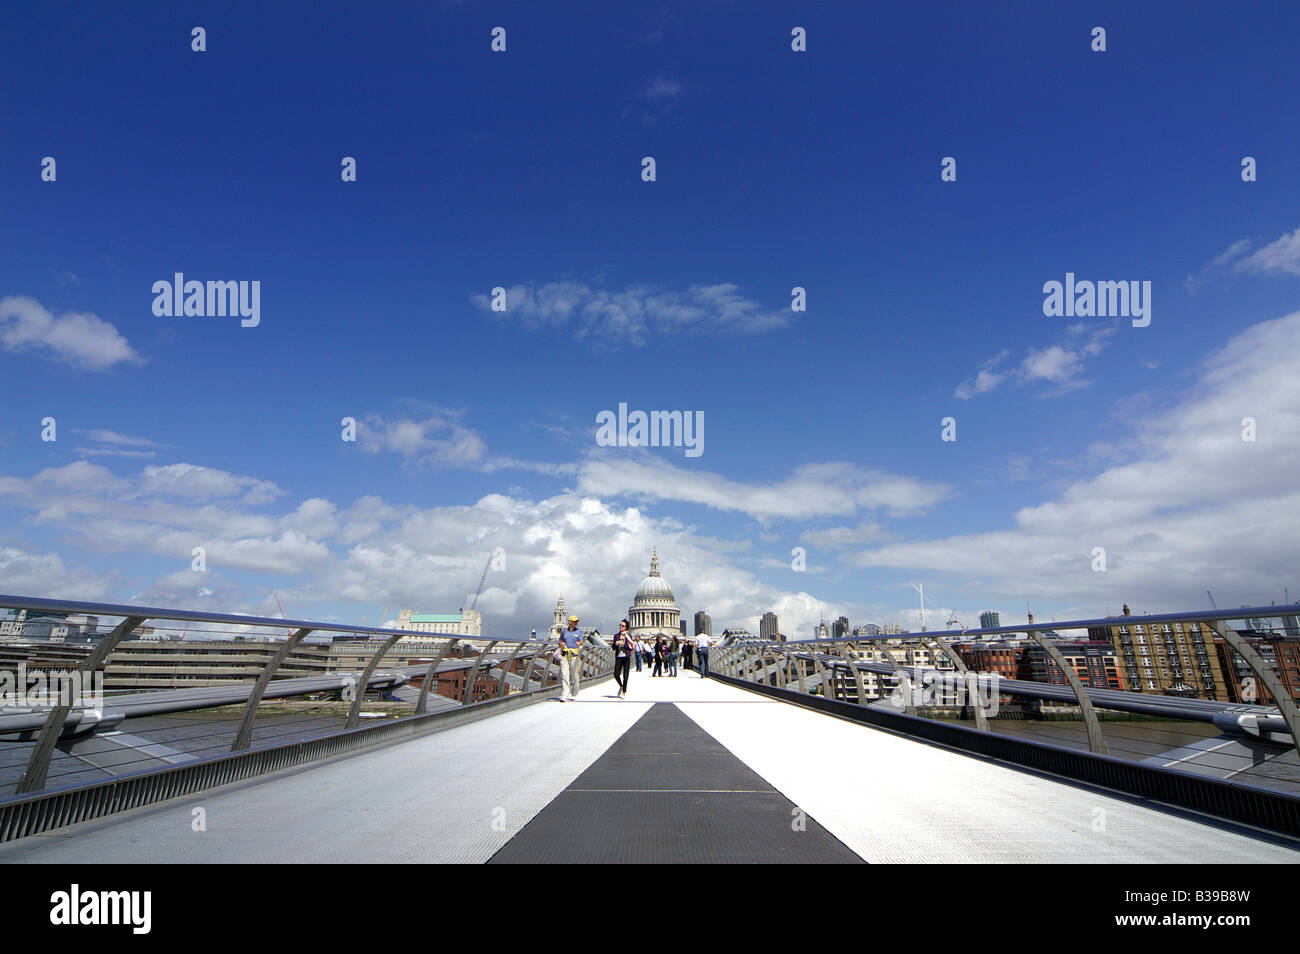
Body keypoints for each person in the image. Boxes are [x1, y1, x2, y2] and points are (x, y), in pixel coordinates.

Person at [558, 614, 583, 701]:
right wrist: (561, 643)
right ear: (570, 622)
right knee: (564, 674)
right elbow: (560, 640)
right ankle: (565, 693)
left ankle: (574, 692)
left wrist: (579, 643)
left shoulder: (578, 632)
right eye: (574, 621)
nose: (576, 623)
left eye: (577, 621)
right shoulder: (564, 631)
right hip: (565, 653)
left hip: (574, 655)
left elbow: (581, 641)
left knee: (574, 674)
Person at [612, 619, 633, 698]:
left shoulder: (629, 636)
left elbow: (631, 647)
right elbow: (613, 647)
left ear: (626, 627)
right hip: (619, 656)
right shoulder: (616, 636)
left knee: (625, 675)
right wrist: (615, 643)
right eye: (620, 625)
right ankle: (621, 686)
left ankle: (624, 691)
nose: (620, 627)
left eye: (622, 626)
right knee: (616, 674)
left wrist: (624, 644)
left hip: (626, 657)